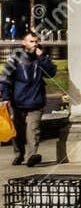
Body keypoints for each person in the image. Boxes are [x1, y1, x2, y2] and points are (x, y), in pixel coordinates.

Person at [0, 31, 56, 168]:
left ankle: (32, 156)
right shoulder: (15, 58)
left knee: (33, 129)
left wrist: (42, 58)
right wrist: (5, 97)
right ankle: (19, 154)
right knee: (18, 131)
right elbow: (5, 79)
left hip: (36, 101)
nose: (35, 44)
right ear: (24, 43)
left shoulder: (41, 57)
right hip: (18, 101)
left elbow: (51, 73)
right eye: (31, 41)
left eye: (36, 41)